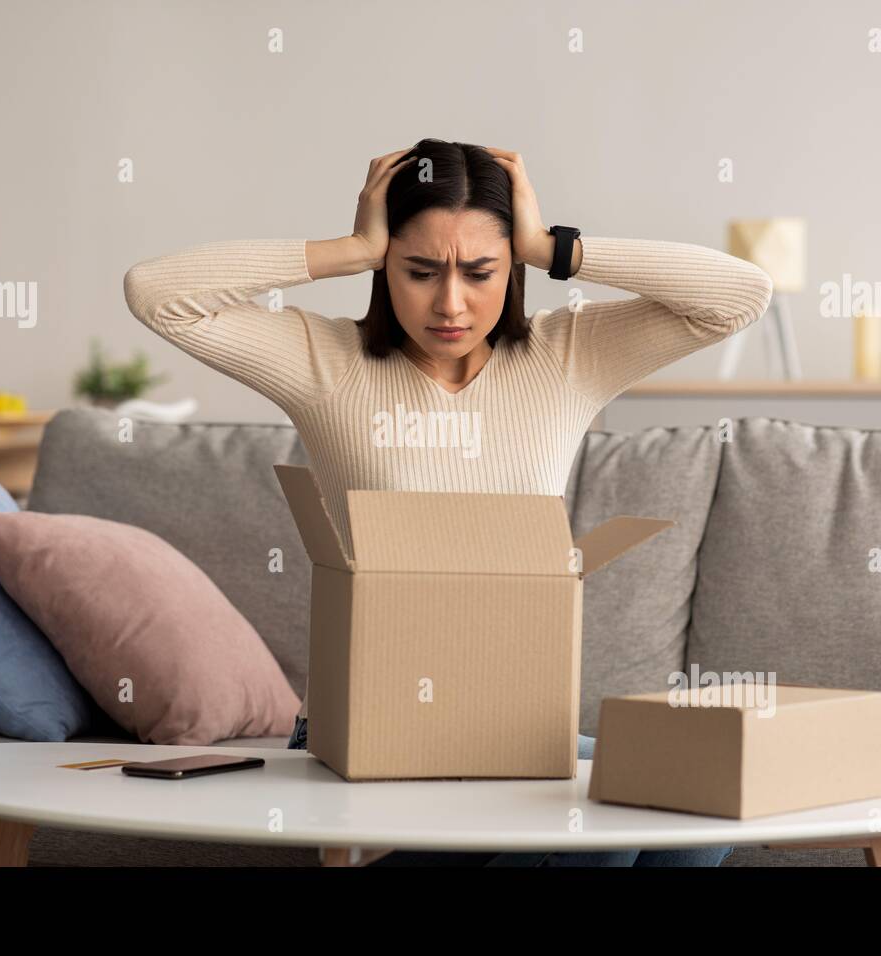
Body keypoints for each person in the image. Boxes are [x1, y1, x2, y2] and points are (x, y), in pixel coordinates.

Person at [124, 138, 771, 867]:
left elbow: (739, 295)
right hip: (371, 736)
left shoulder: (567, 357)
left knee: (703, 799)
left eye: (482, 270)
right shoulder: (326, 364)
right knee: (594, 837)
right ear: (385, 268)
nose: (450, 303)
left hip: (513, 730)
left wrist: (552, 245)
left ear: (515, 268)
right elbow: (156, 293)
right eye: (420, 271)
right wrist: (347, 248)